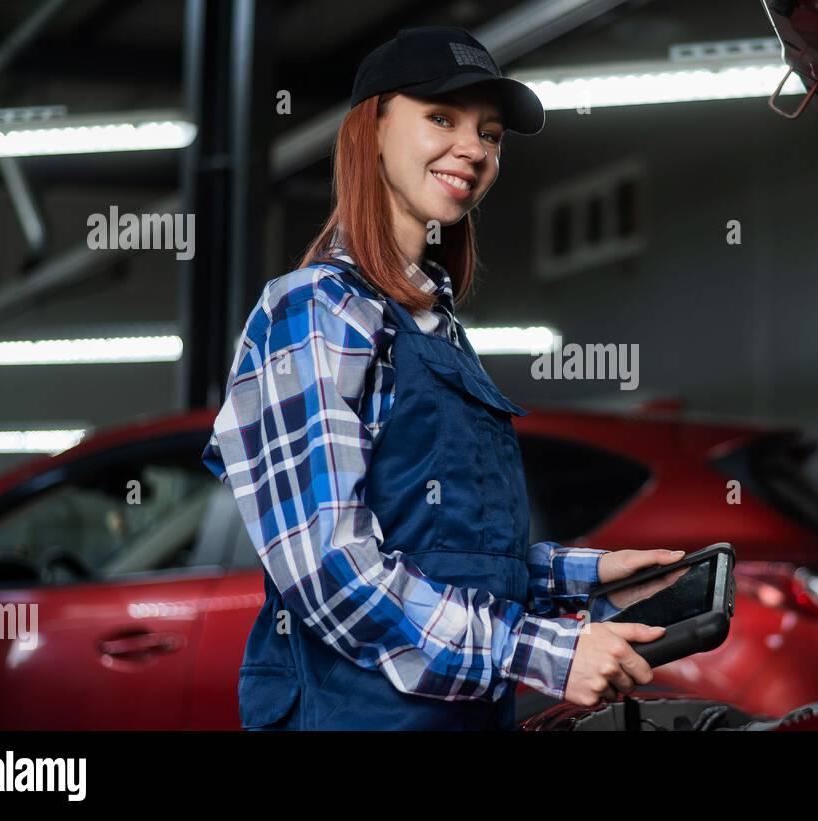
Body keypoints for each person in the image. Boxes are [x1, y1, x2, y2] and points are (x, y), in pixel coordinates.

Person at [201, 25, 685, 730]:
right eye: (441, 117)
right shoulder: (312, 311)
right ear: (371, 130)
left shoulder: (436, 326)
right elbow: (333, 572)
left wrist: (594, 575)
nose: (475, 149)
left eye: (490, 133)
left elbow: (445, 550)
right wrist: (542, 651)